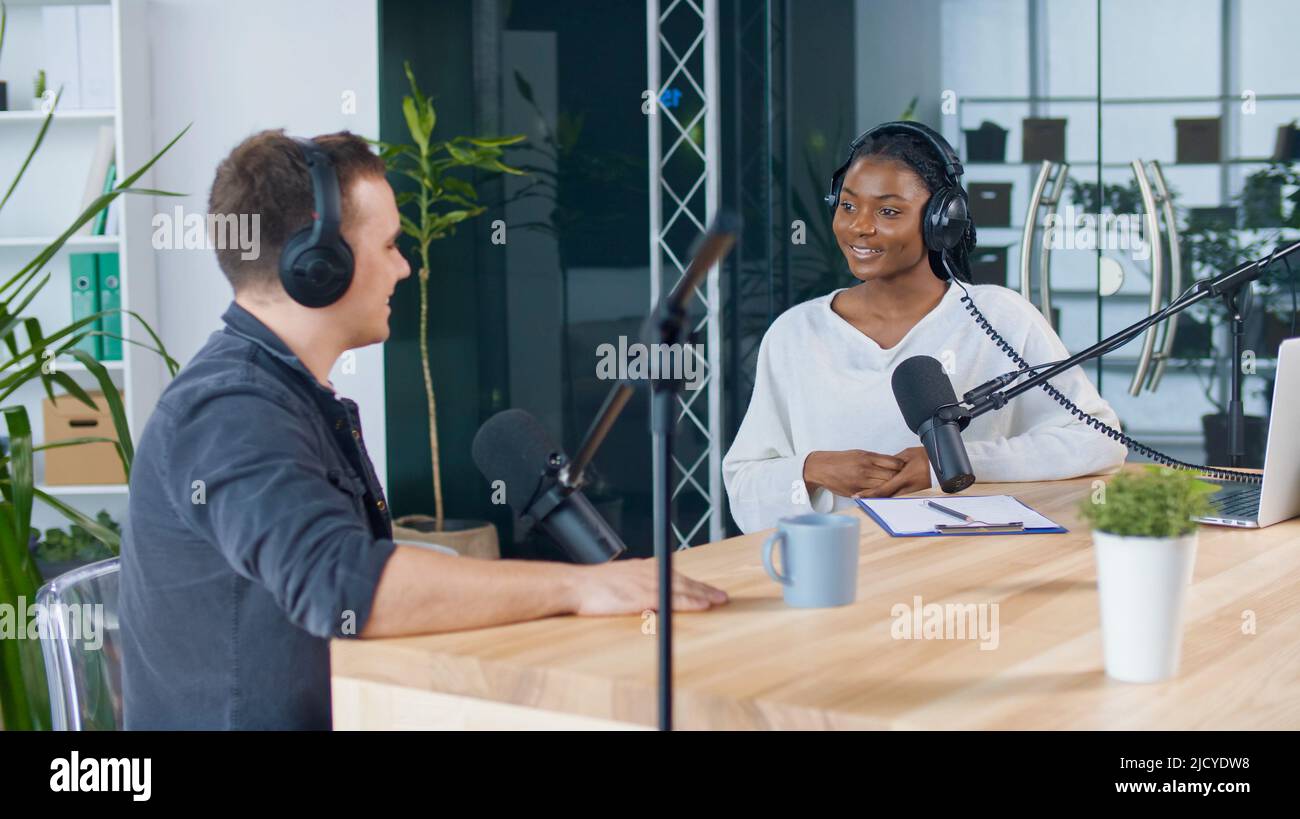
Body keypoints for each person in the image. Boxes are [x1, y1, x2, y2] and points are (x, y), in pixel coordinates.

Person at [120, 130, 727, 730]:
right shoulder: (229, 409)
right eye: (388, 245)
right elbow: (341, 584)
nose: (405, 267)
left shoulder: (284, 395)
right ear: (317, 265)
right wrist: (579, 588)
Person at [723, 122, 1127, 534]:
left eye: (888, 211)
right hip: (839, 572)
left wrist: (955, 461)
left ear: (941, 220)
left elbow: (1096, 441)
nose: (860, 226)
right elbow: (744, 482)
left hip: (963, 564)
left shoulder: (999, 318)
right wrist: (811, 469)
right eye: (847, 206)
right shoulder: (796, 333)